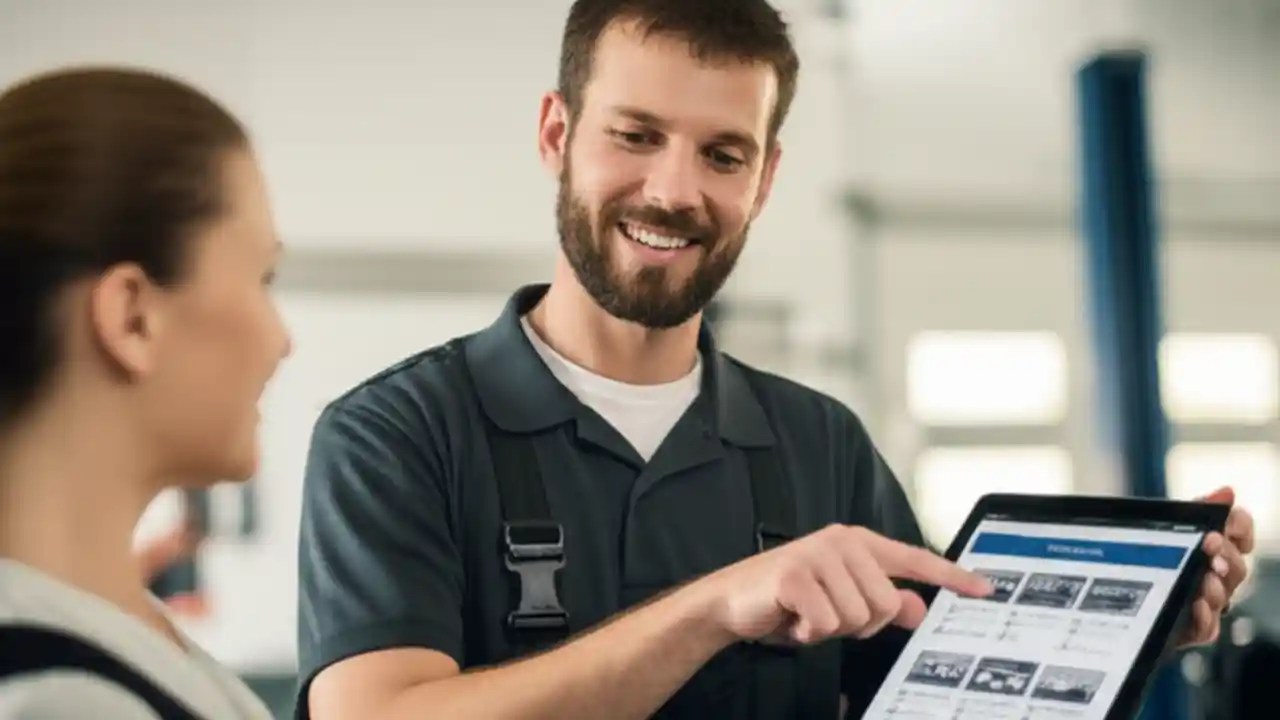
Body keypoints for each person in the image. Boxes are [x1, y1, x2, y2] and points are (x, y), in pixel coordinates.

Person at [295, 1, 1256, 718]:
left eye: (723, 155)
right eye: (636, 137)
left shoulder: (818, 444)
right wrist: (717, 606)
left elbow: (941, 694)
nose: (673, 191)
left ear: (764, 180)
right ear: (558, 134)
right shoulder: (396, 435)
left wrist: (1121, 635)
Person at [0, 67, 291, 719]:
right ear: (132, 317)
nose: (281, 341)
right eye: (263, 278)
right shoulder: (61, 700)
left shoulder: (117, 648)